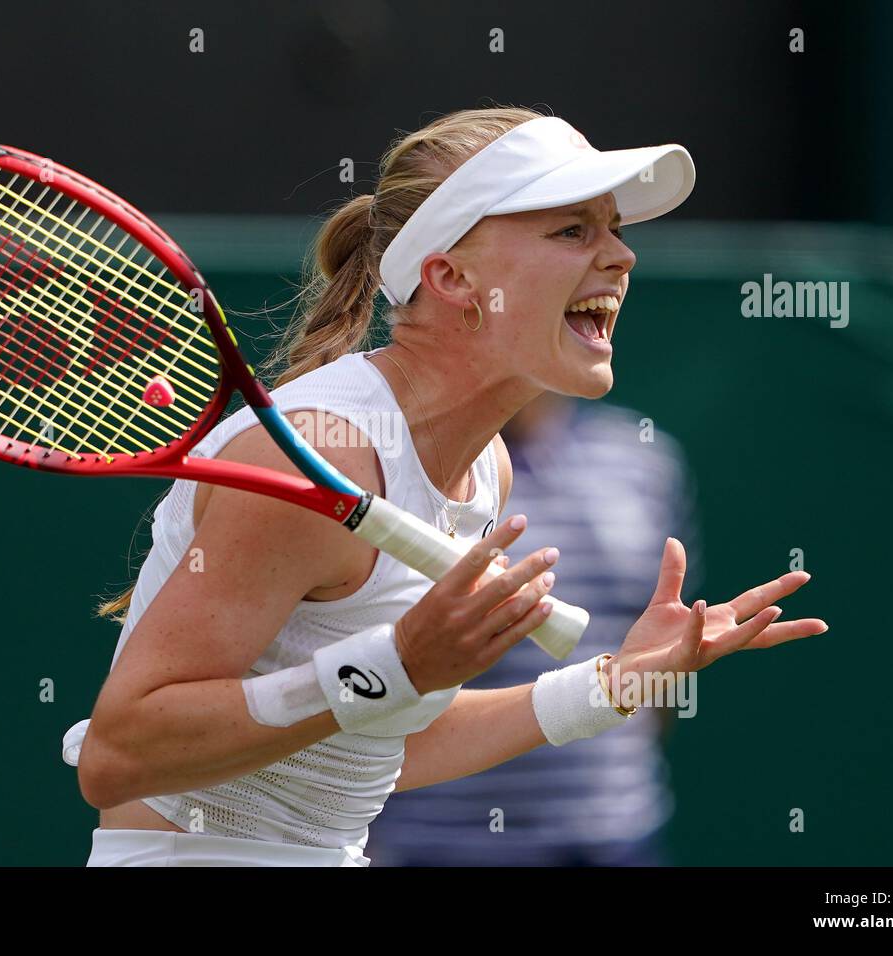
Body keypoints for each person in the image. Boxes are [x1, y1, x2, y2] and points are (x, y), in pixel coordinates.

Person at [61, 105, 827, 867]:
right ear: (452, 276)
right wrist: (395, 665)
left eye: (615, 229)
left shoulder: (482, 465)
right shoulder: (314, 459)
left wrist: (612, 683)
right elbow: (120, 756)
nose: (621, 257)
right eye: (572, 230)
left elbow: (373, 745)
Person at [363, 394, 701, 866]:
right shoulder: (393, 465)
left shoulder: (645, 460)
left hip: (617, 834)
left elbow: (662, 648)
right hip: (434, 845)